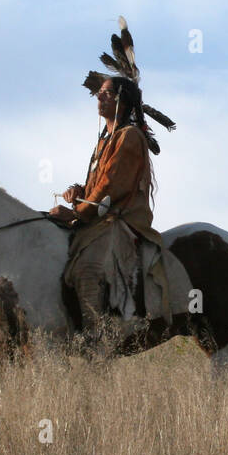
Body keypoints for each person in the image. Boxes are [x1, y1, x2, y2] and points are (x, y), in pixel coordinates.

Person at [49, 73, 169, 346]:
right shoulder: (105, 139)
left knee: (88, 268)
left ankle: (96, 338)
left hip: (122, 221)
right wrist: (78, 191)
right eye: (99, 93)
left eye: (106, 93)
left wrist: (77, 212)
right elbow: (97, 185)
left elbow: (112, 187)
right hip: (100, 218)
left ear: (122, 102)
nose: (99, 97)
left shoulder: (129, 137)